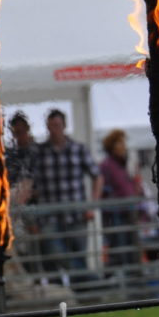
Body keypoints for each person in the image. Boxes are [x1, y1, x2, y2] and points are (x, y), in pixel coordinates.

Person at [33, 108, 102, 283]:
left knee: (79, 255)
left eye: (57, 125)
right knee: (56, 253)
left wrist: (92, 205)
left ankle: (85, 295)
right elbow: (30, 182)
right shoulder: (39, 153)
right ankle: (94, 282)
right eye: (50, 126)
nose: (53, 130)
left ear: (64, 126)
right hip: (50, 217)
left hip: (76, 215)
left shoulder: (78, 149)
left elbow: (97, 176)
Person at [98, 129, 143, 279]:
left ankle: (132, 279)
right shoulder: (106, 165)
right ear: (112, 146)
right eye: (120, 142)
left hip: (130, 213)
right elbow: (104, 192)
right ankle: (116, 280)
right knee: (120, 250)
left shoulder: (124, 164)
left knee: (132, 250)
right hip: (116, 216)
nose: (124, 146)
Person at [4, 110, 37, 201]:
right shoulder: (10, 157)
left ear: (27, 130)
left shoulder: (38, 153)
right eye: (17, 133)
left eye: (22, 131)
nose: (20, 136)